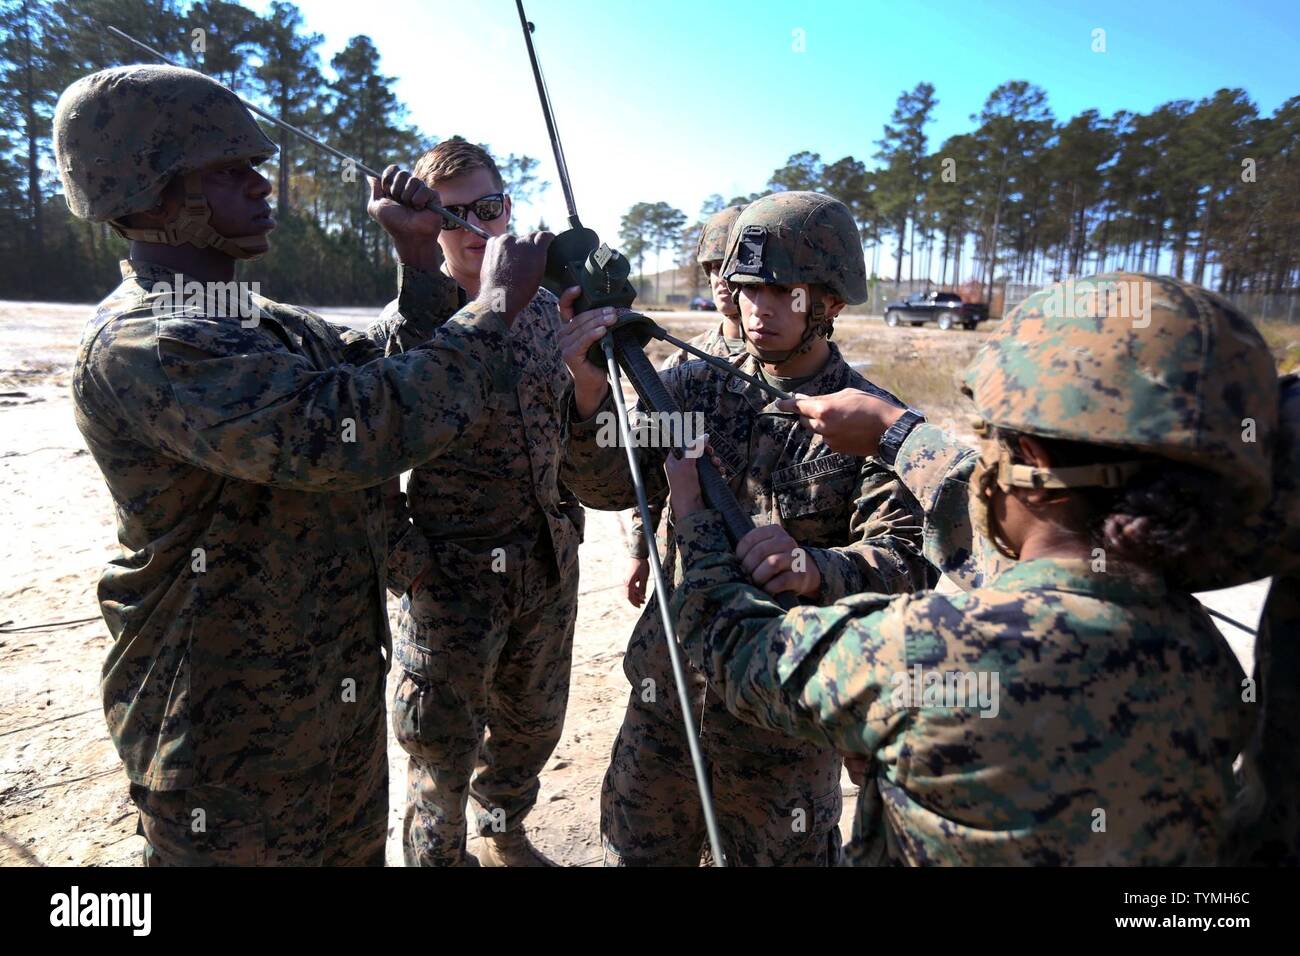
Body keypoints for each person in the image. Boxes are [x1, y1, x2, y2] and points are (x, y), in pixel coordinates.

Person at [56, 64, 553, 865]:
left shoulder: (253, 317)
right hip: (221, 731)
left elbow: (375, 368)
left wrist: (418, 262)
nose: (261, 187)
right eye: (229, 172)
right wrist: (492, 307)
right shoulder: (150, 342)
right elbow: (350, 430)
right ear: (148, 193)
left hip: (324, 700)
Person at [664, 272, 1279, 864]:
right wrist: (896, 433)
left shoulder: (932, 651)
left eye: (990, 441)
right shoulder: (1207, 660)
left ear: (1029, 456)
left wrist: (694, 518)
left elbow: (738, 648)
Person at [560, 191, 933, 865]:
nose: (760, 310)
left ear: (831, 300)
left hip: (782, 726)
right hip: (667, 700)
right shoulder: (691, 383)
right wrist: (588, 396)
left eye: (784, 291)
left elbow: (909, 564)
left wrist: (817, 567)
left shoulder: (870, 420)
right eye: (748, 289)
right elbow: (609, 488)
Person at [366, 140, 589, 867]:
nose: (472, 227)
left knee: (531, 725)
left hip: (545, 569)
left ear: (508, 211)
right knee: (441, 750)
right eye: (449, 213)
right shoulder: (407, 329)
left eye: (486, 208)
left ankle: (503, 834)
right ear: (427, 225)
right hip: (450, 582)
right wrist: (409, 566)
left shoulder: (548, 312)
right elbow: (367, 466)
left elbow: (573, 433)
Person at [624, 204, 747, 608]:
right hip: (690, 569)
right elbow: (652, 471)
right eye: (712, 267)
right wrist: (640, 551)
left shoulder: (796, 374)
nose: (721, 280)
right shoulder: (681, 366)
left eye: (731, 266)